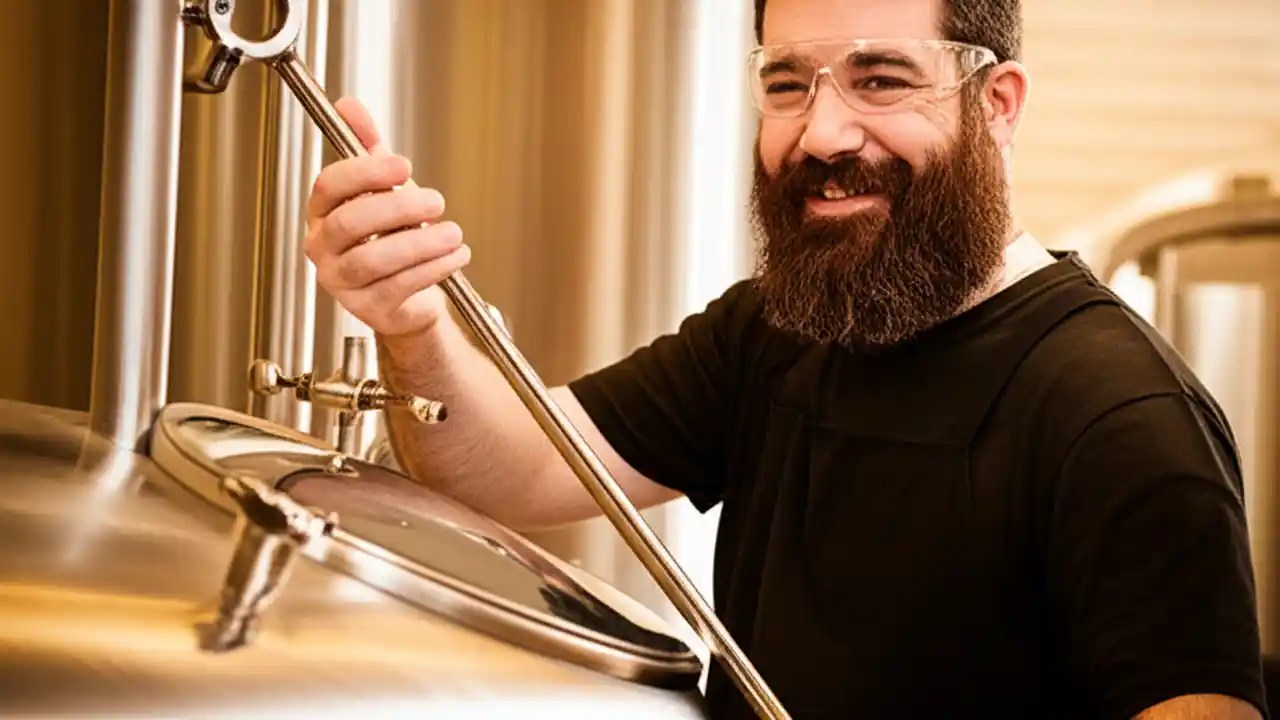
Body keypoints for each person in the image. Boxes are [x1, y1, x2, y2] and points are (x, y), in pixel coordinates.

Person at [302, 0, 1268, 716]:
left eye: (883, 79)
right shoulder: (778, 333)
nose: (824, 133)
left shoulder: (1120, 417)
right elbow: (511, 469)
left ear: (999, 105)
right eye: (787, 85)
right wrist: (417, 325)